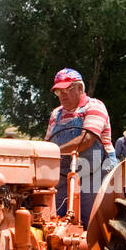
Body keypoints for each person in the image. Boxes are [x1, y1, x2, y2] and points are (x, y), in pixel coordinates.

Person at [44, 67, 117, 216]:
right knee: (54, 215)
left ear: (79, 88)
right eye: (59, 92)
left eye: (67, 90)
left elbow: (87, 140)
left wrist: (54, 151)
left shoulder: (94, 106)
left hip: (95, 171)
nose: (62, 95)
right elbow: (47, 144)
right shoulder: (56, 114)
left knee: (89, 218)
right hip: (65, 173)